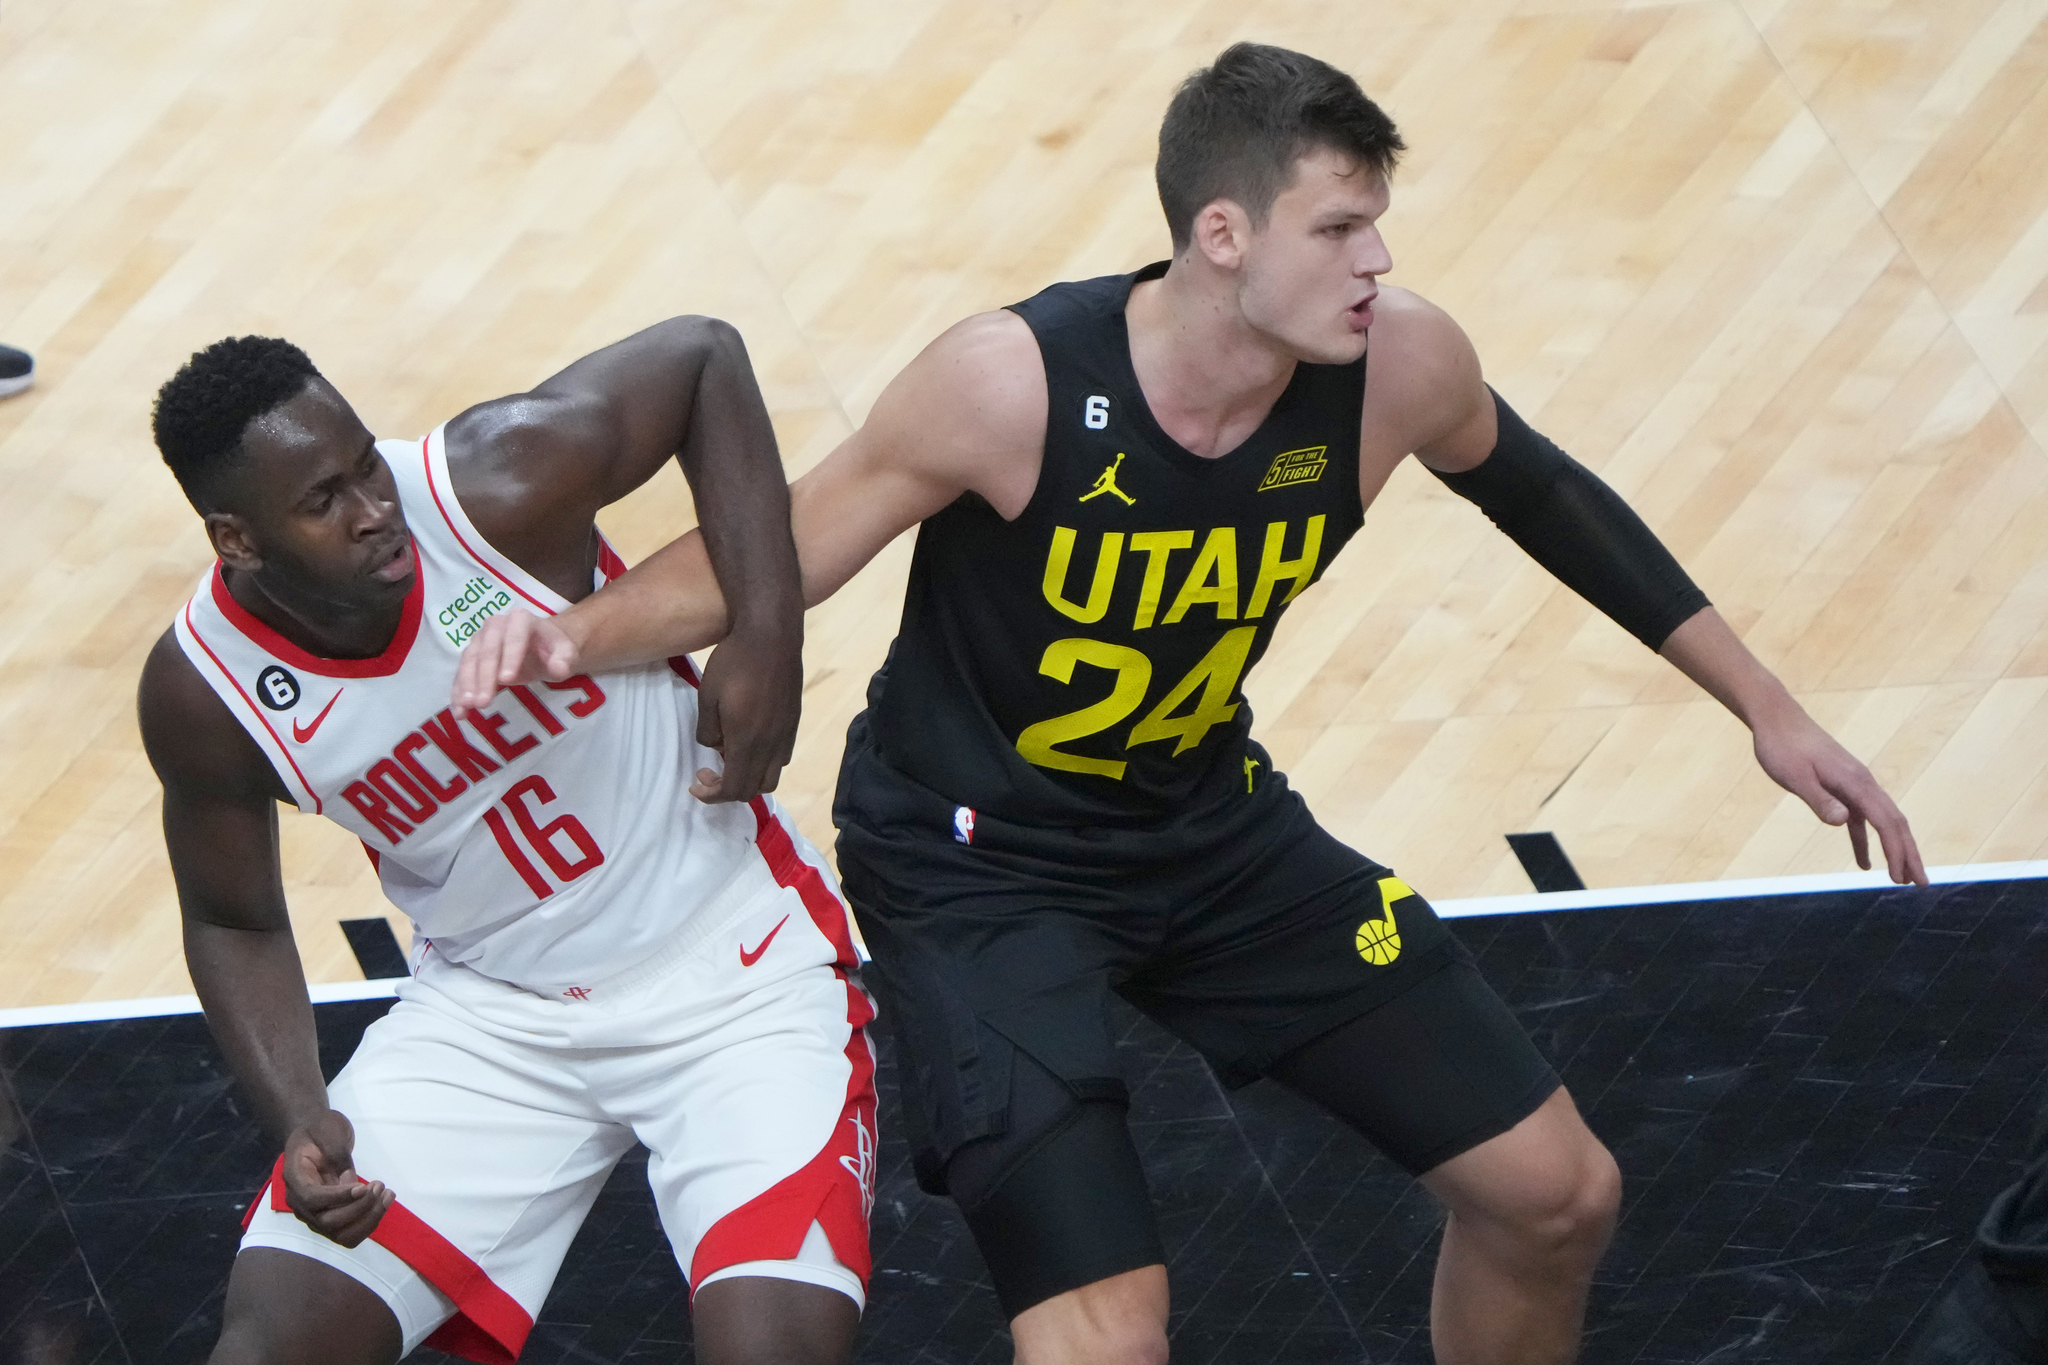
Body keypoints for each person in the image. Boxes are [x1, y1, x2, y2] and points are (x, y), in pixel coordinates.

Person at [451, 43, 1928, 1365]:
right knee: (1110, 1337)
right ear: (1223, 236)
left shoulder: (1399, 364)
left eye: (1376, 223)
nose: (1377, 259)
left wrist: (1765, 704)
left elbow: (1543, 494)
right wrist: (569, 633)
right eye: (1339, 227)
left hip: (1210, 833)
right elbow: (782, 544)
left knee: (1558, 1195)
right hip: (975, 869)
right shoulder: (1011, 382)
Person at [137, 325, 874, 1365]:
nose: (372, 511)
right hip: (492, 1017)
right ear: (237, 541)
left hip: (732, 972)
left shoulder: (487, 486)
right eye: (322, 502)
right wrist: (301, 1118)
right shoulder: (204, 693)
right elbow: (232, 916)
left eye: (364, 465)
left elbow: (704, 358)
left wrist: (766, 634)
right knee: (267, 1349)